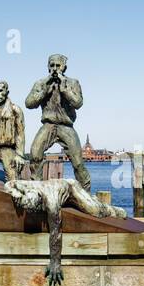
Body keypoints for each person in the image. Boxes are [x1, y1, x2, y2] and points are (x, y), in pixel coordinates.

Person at [25, 54, 91, 191]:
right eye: (52, 65)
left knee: (78, 163)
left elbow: (78, 103)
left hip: (66, 126)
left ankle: (86, 193)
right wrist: (44, 91)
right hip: (48, 125)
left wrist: (64, 89)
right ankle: (37, 189)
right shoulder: (41, 83)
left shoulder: (73, 83)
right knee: (35, 153)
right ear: (48, 67)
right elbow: (29, 103)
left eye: (58, 66)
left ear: (64, 67)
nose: (55, 69)